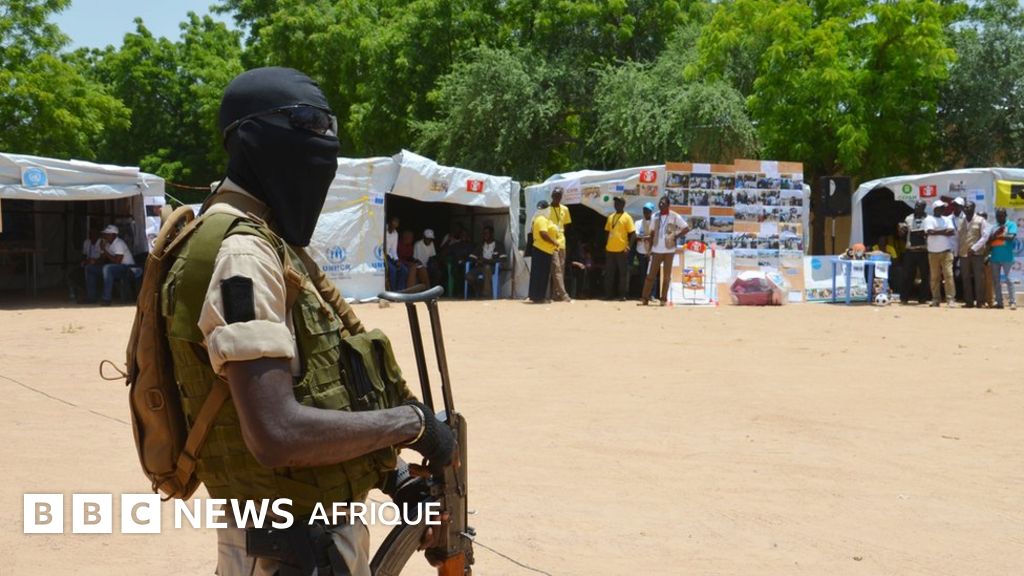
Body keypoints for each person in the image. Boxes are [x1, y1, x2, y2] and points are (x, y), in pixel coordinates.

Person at [160, 67, 455, 576]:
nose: (321, 150)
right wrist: (412, 424)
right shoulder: (243, 255)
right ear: (251, 140)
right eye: (305, 127)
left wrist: (395, 476)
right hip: (292, 550)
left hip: (307, 534)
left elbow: (323, 390)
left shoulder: (264, 240)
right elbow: (277, 432)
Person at [640, 195, 688, 306]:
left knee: (666, 276)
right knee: (650, 275)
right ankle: (645, 298)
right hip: (656, 250)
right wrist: (649, 250)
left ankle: (663, 299)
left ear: (668, 205)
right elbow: (652, 233)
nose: (660, 205)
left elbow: (686, 228)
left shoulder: (674, 216)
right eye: (660, 203)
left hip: (669, 250)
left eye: (663, 203)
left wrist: (677, 236)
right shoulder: (655, 216)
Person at [84, 224, 136, 305]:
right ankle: (91, 297)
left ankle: (106, 299)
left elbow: (117, 261)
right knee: (90, 268)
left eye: (106, 234)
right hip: (115, 268)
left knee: (107, 268)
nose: (104, 236)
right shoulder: (107, 244)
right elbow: (102, 259)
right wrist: (94, 261)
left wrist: (104, 250)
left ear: (113, 235)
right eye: (104, 234)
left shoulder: (119, 243)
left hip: (128, 268)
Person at [924, 200, 956, 307]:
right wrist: (943, 232)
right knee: (934, 277)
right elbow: (929, 232)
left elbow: (951, 232)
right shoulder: (929, 219)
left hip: (946, 252)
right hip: (933, 252)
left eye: (943, 207)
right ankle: (935, 299)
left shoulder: (947, 219)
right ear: (935, 209)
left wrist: (936, 231)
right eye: (941, 207)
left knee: (949, 275)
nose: (943, 209)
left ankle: (950, 299)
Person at [897, 200, 930, 304]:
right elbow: (903, 234)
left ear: (924, 208)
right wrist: (901, 230)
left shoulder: (929, 219)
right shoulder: (909, 218)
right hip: (910, 251)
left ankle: (923, 298)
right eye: (916, 205)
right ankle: (904, 298)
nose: (916, 207)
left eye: (919, 206)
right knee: (907, 275)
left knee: (925, 275)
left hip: (923, 250)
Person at [603, 196, 635, 300]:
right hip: (610, 250)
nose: (616, 205)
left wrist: (628, 247)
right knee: (609, 274)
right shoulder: (610, 217)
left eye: (618, 203)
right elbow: (607, 232)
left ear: (623, 205)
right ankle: (608, 295)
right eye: (615, 203)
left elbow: (633, 234)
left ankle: (622, 295)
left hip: (622, 250)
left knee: (623, 274)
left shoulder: (627, 217)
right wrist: (606, 245)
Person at [957, 200, 987, 308]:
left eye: (968, 207)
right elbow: (958, 237)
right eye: (965, 207)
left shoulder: (980, 220)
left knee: (979, 278)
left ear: (973, 208)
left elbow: (985, 237)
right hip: (963, 254)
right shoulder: (961, 221)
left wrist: (974, 248)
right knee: (965, 278)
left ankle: (980, 302)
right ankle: (969, 302)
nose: (966, 209)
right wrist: (957, 253)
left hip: (977, 254)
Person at [529, 201, 558, 303]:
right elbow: (543, 233)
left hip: (543, 250)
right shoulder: (541, 219)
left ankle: (536, 296)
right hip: (542, 250)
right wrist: (554, 242)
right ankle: (539, 297)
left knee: (539, 274)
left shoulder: (541, 219)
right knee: (541, 275)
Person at [988, 207, 1017, 310]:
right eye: (997, 216)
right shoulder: (994, 227)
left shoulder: (1011, 224)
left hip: (1007, 257)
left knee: (1009, 280)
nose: (999, 218)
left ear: (1005, 215)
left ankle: (1012, 302)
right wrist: (995, 236)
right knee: (996, 281)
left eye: (1001, 216)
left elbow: (1011, 237)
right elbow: (989, 240)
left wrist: (999, 236)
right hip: (995, 257)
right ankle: (999, 302)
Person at [548, 188, 572, 302]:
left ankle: (555, 294)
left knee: (560, 269)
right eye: (555, 195)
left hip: (561, 242)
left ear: (561, 197)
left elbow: (566, 225)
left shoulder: (565, 209)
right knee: (556, 268)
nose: (557, 197)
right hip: (549, 242)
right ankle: (563, 294)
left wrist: (559, 235)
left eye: (559, 195)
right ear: (551, 196)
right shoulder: (547, 209)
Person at [466, 225, 504, 298]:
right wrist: (477, 260)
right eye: (483, 233)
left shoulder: (499, 245)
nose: (484, 235)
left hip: (493, 267)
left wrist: (488, 261)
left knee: (487, 268)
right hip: (480, 267)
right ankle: (479, 290)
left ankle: (487, 295)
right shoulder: (481, 244)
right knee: (468, 276)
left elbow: (503, 259)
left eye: (487, 233)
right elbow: (471, 257)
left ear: (492, 234)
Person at [69, 226, 102, 301]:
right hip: (88, 263)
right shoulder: (87, 242)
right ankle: (73, 295)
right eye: (90, 234)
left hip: (98, 265)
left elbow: (103, 258)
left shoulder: (101, 243)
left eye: (94, 234)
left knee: (90, 270)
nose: (91, 236)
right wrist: (83, 261)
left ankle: (91, 294)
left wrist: (93, 261)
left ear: (98, 235)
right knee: (72, 274)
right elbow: (84, 255)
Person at [633, 202, 657, 299]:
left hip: (652, 252)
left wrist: (646, 237)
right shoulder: (638, 223)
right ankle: (643, 294)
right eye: (644, 210)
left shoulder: (655, 223)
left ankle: (652, 295)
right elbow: (637, 237)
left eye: (648, 211)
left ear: (651, 212)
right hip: (641, 251)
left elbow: (655, 237)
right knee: (642, 274)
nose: (645, 212)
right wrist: (648, 237)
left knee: (652, 274)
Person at [384, 216, 408, 290]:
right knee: (392, 270)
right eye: (394, 221)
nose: (395, 224)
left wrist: (397, 260)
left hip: (389, 257)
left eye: (397, 222)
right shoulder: (383, 230)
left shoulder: (395, 234)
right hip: (381, 257)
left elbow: (393, 250)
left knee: (404, 269)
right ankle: (393, 293)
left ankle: (400, 291)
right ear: (389, 222)